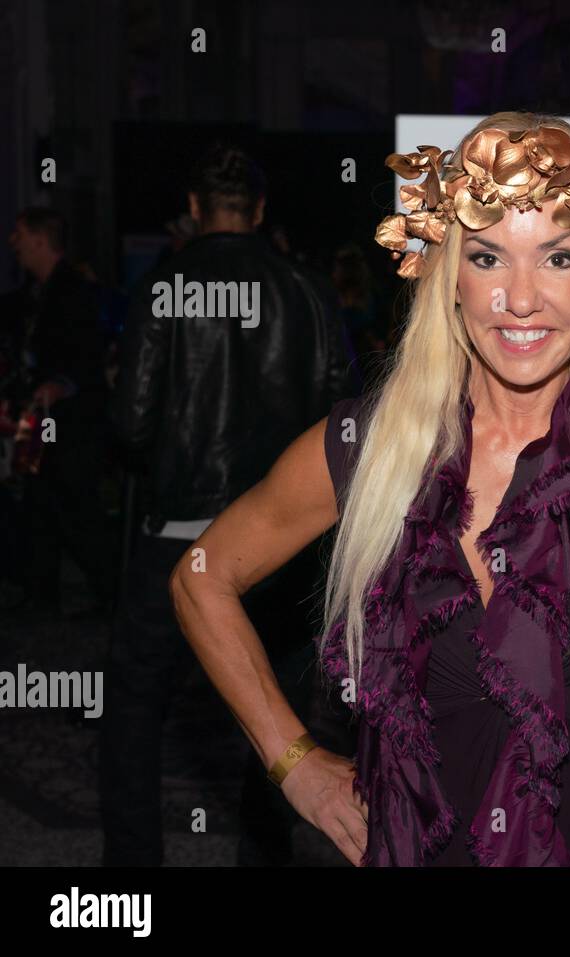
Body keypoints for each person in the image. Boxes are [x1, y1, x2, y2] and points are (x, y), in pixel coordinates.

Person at [170, 113, 570, 866]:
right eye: (488, 257)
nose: (520, 300)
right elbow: (202, 579)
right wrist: (296, 766)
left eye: (556, 255)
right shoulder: (370, 445)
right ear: (449, 275)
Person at [101, 142, 359, 865]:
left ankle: (130, 875)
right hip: (283, 546)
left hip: (177, 535)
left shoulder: (163, 286)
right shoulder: (306, 289)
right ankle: (264, 858)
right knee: (273, 709)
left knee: (131, 711)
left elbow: (130, 420)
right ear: (260, 208)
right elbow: (340, 411)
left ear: (192, 208)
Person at [2, 207, 114, 615]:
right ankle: (41, 593)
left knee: (75, 504)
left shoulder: (75, 292)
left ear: (38, 239)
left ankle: (109, 592)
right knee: (39, 499)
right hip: (41, 418)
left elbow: (89, 358)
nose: (12, 243)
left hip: (71, 422)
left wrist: (61, 384)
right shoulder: (30, 295)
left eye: (19, 234)